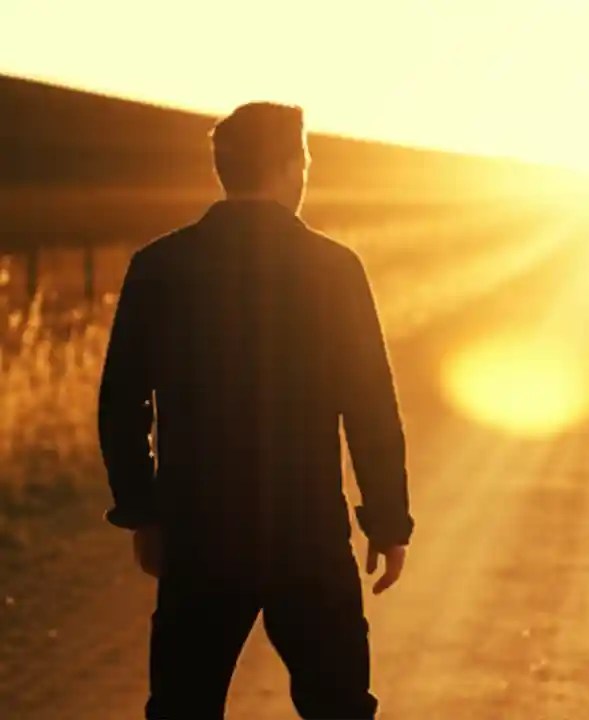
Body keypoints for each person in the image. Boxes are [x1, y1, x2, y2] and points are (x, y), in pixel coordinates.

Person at [97, 102, 413, 719]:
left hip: (200, 533)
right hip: (308, 535)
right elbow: (371, 403)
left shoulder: (161, 266)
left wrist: (143, 512)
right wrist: (387, 520)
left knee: (184, 707)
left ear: (225, 169)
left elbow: (120, 401)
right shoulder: (334, 268)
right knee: (340, 707)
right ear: (291, 167)